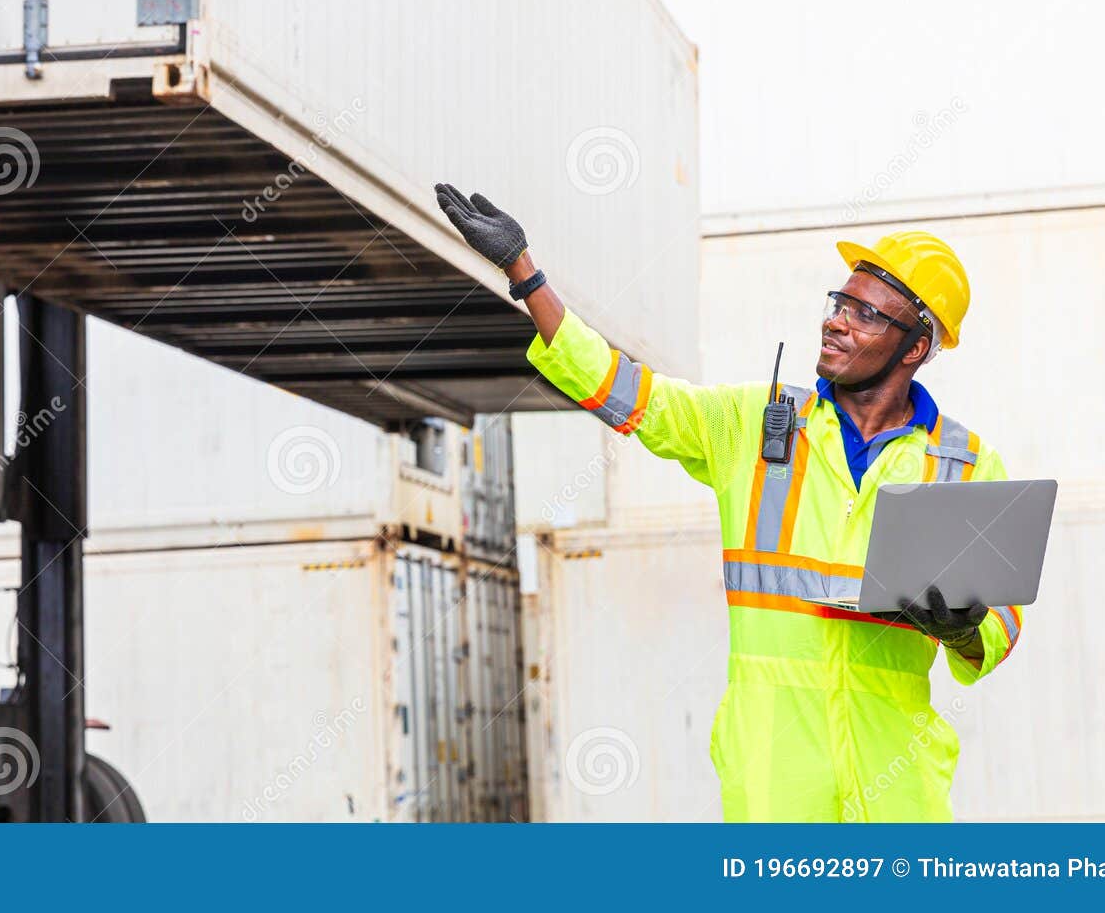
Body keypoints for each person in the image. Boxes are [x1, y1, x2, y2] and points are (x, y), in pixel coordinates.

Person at [434, 183, 1023, 822]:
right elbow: (629, 392)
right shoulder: (752, 424)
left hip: (899, 787)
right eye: (839, 303)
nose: (836, 321)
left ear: (915, 348)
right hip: (775, 779)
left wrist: (964, 629)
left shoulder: (964, 465)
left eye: (866, 314)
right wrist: (525, 274)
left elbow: (1002, 623)